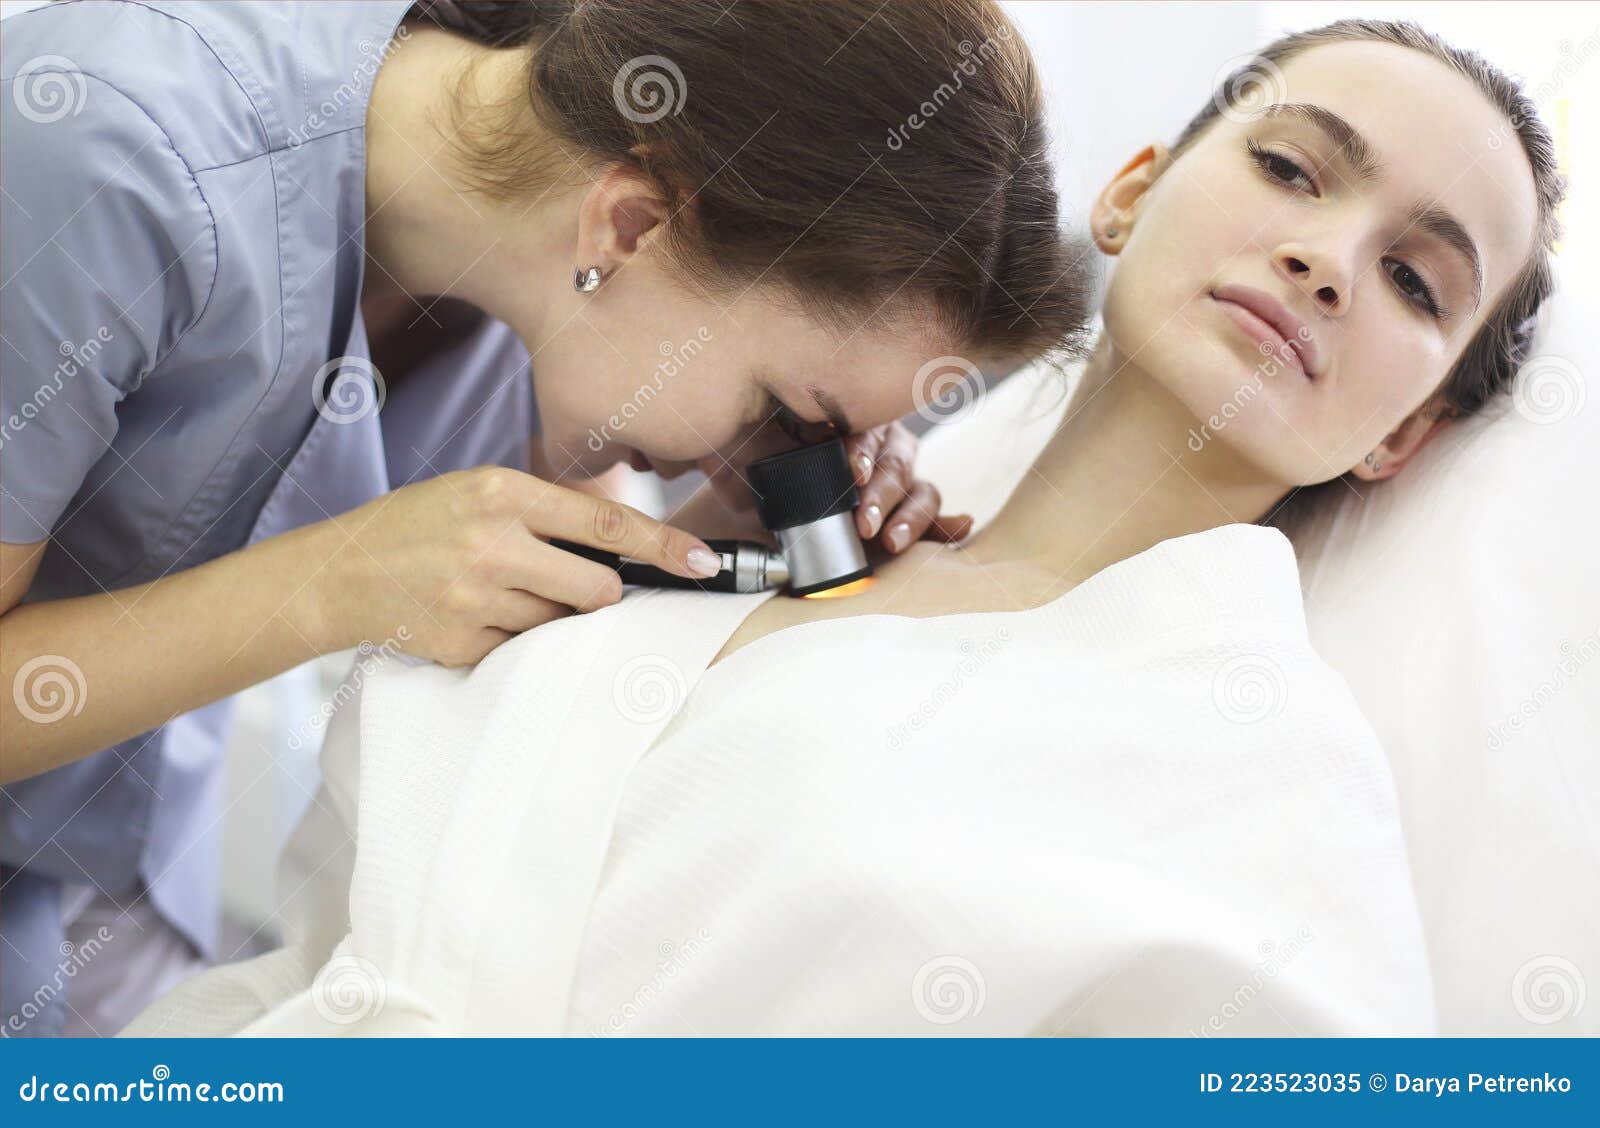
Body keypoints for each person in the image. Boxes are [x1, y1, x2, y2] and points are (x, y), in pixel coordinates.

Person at [0, 0, 1093, 1034]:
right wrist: (333, 583)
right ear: (628, 225)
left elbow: (573, 585)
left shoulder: (537, 287)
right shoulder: (111, 159)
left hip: (104, 878)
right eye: (788, 412)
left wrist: (735, 524)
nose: (781, 461)